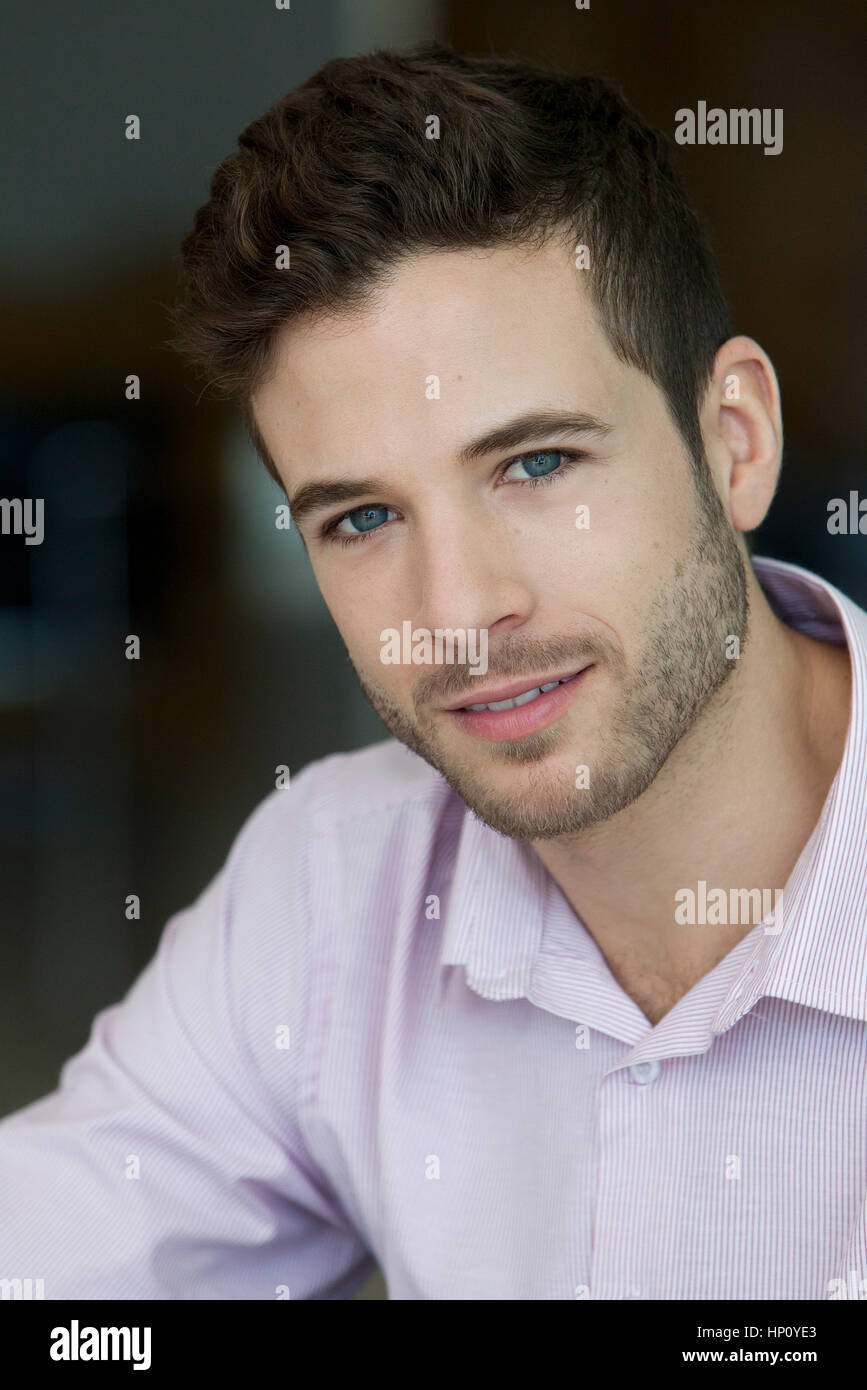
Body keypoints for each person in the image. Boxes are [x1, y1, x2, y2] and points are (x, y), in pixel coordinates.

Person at [1, 40, 863, 1302]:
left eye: (537, 464)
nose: (457, 614)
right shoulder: (337, 887)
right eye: (360, 520)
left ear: (734, 441)